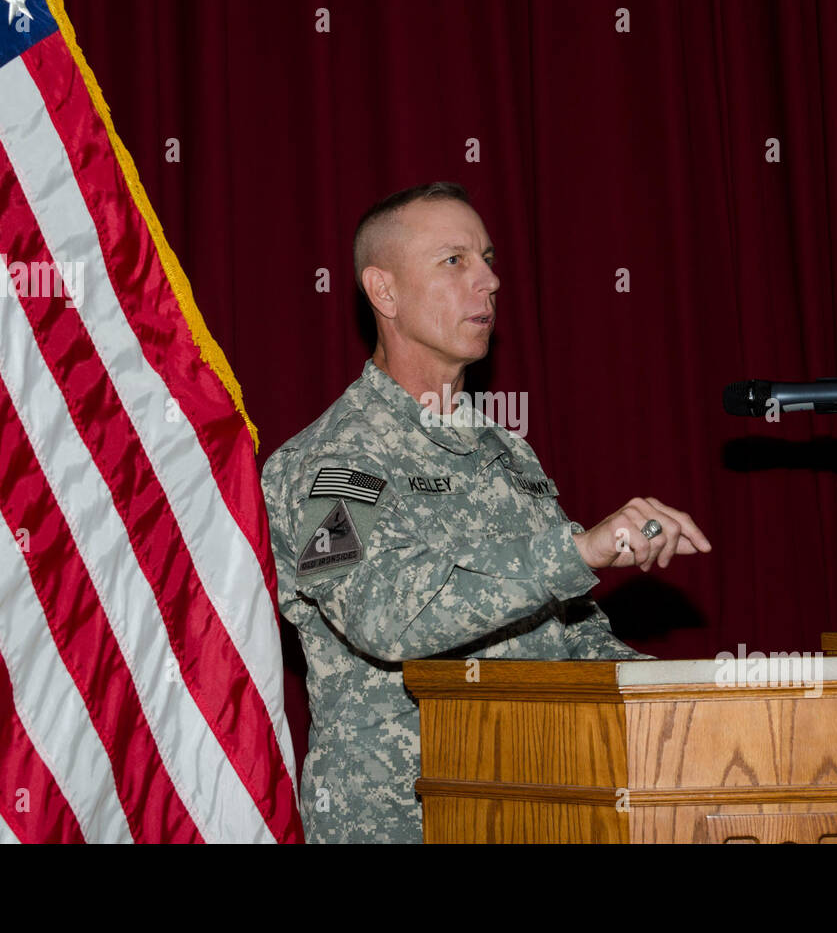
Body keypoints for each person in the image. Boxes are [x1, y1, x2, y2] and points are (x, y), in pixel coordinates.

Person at [261, 182, 711, 843]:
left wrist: (687, 705)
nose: (490, 280)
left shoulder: (504, 452)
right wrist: (580, 550)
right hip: (406, 820)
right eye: (455, 261)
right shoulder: (335, 460)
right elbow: (383, 615)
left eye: (489, 258)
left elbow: (567, 632)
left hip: (538, 804)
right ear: (384, 292)